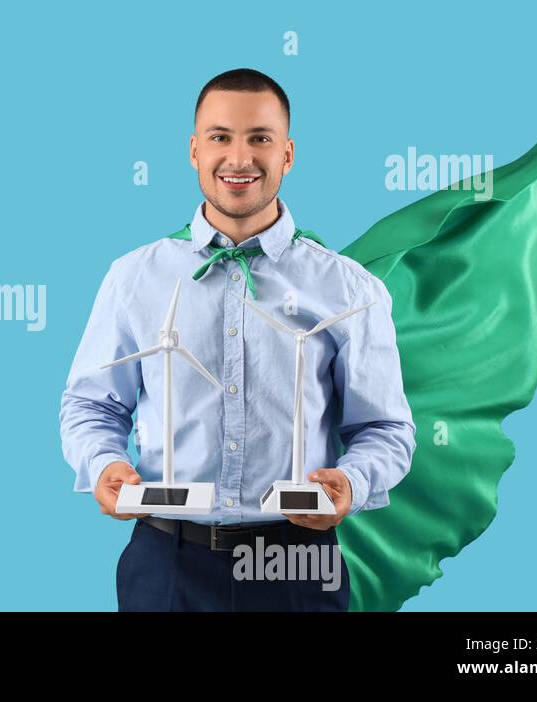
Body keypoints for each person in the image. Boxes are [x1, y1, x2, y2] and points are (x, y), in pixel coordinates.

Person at [59, 68, 416, 611]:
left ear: (288, 153)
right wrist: (104, 465)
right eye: (221, 137)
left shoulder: (349, 288)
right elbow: (91, 405)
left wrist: (352, 482)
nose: (239, 158)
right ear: (195, 150)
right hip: (166, 562)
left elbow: (385, 427)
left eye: (260, 138)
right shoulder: (133, 277)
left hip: (298, 563)